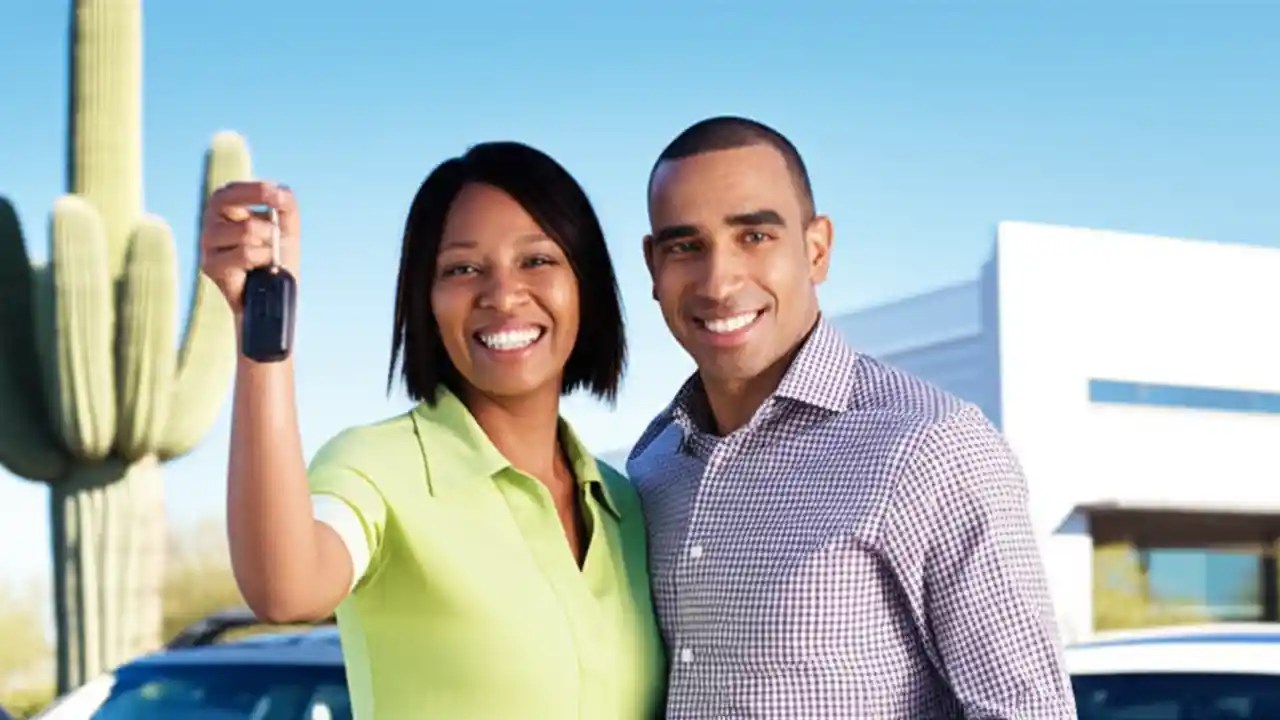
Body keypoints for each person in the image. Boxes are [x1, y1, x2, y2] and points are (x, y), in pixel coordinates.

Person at [627, 116, 1077, 719]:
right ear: (654, 267)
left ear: (816, 249)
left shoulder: (932, 447)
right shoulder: (653, 466)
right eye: (686, 246)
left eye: (754, 236)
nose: (719, 280)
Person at [202, 141, 667, 719]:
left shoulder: (626, 504)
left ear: (586, 284)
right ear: (425, 300)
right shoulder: (376, 468)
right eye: (462, 269)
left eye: (536, 260)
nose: (502, 295)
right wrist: (262, 331)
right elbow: (285, 587)